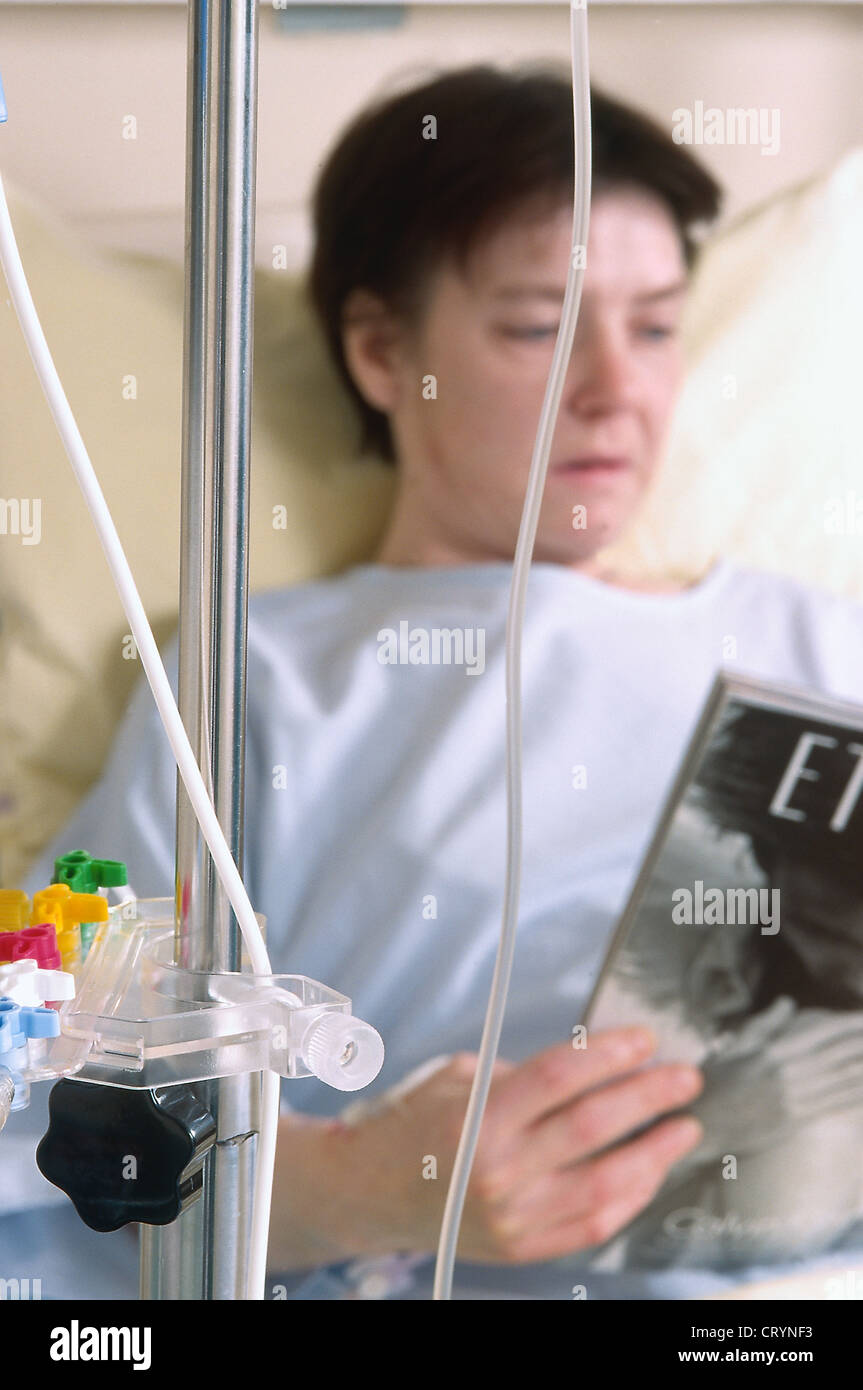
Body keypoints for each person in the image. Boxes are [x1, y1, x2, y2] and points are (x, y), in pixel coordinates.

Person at [14, 66, 863, 1301]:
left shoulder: (823, 651)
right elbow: (56, 1132)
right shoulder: (256, 684)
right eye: (538, 326)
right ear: (377, 350)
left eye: (657, 324)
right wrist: (361, 1187)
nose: (616, 389)